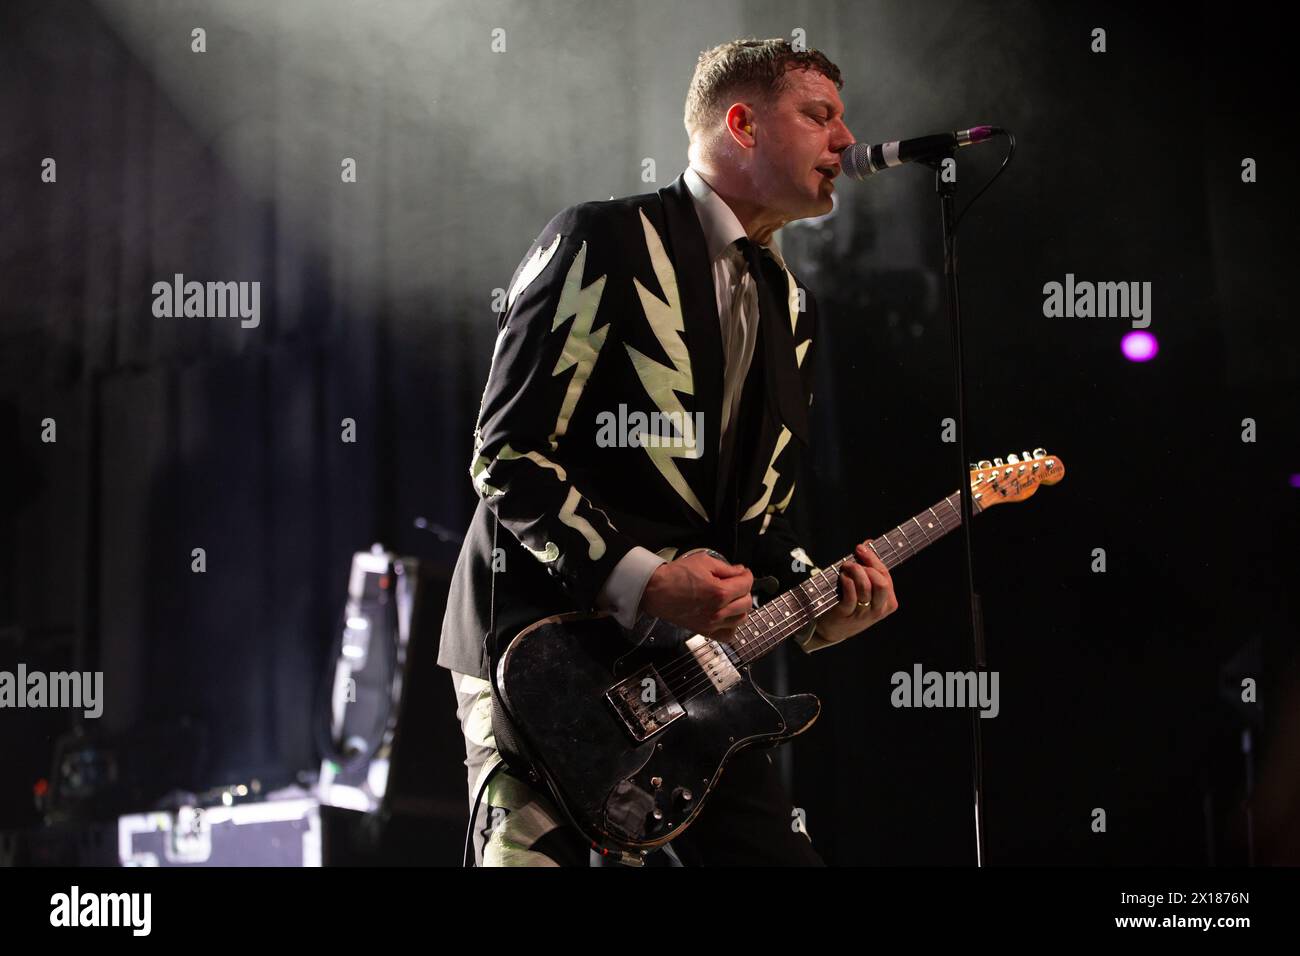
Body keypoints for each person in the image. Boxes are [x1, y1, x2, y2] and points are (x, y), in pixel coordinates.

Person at [438, 37, 898, 866]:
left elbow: (757, 523)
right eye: (819, 115)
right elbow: (506, 453)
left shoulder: (792, 304)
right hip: (542, 650)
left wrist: (820, 600)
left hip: (690, 676)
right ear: (742, 125)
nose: (845, 139)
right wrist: (644, 578)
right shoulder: (602, 240)